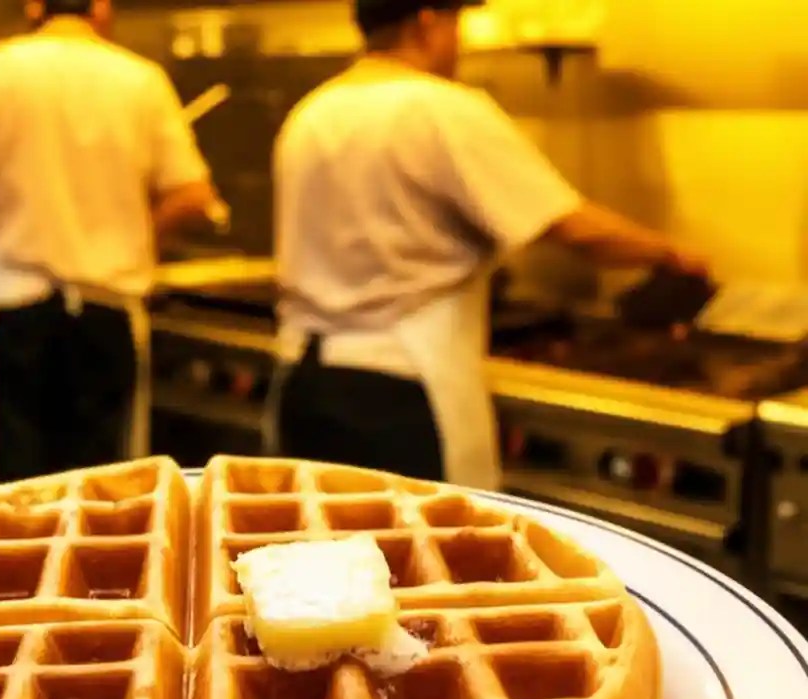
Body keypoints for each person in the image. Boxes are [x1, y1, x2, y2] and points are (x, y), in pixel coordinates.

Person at [270, 0, 707, 490]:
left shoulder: (309, 114)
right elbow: (566, 225)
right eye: (458, 23)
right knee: (425, 557)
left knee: (315, 548)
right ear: (427, 22)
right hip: (399, 393)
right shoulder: (440, 108)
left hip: (301, 381)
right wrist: (670, 253)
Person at [0, 0, 218, 488]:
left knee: (13, 491)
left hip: (17, 307)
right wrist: (138, 236)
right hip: (109, 311)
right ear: (101, 9)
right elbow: (193, 196)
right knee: (110, 492)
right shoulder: (140, 79)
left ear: (33, 7)